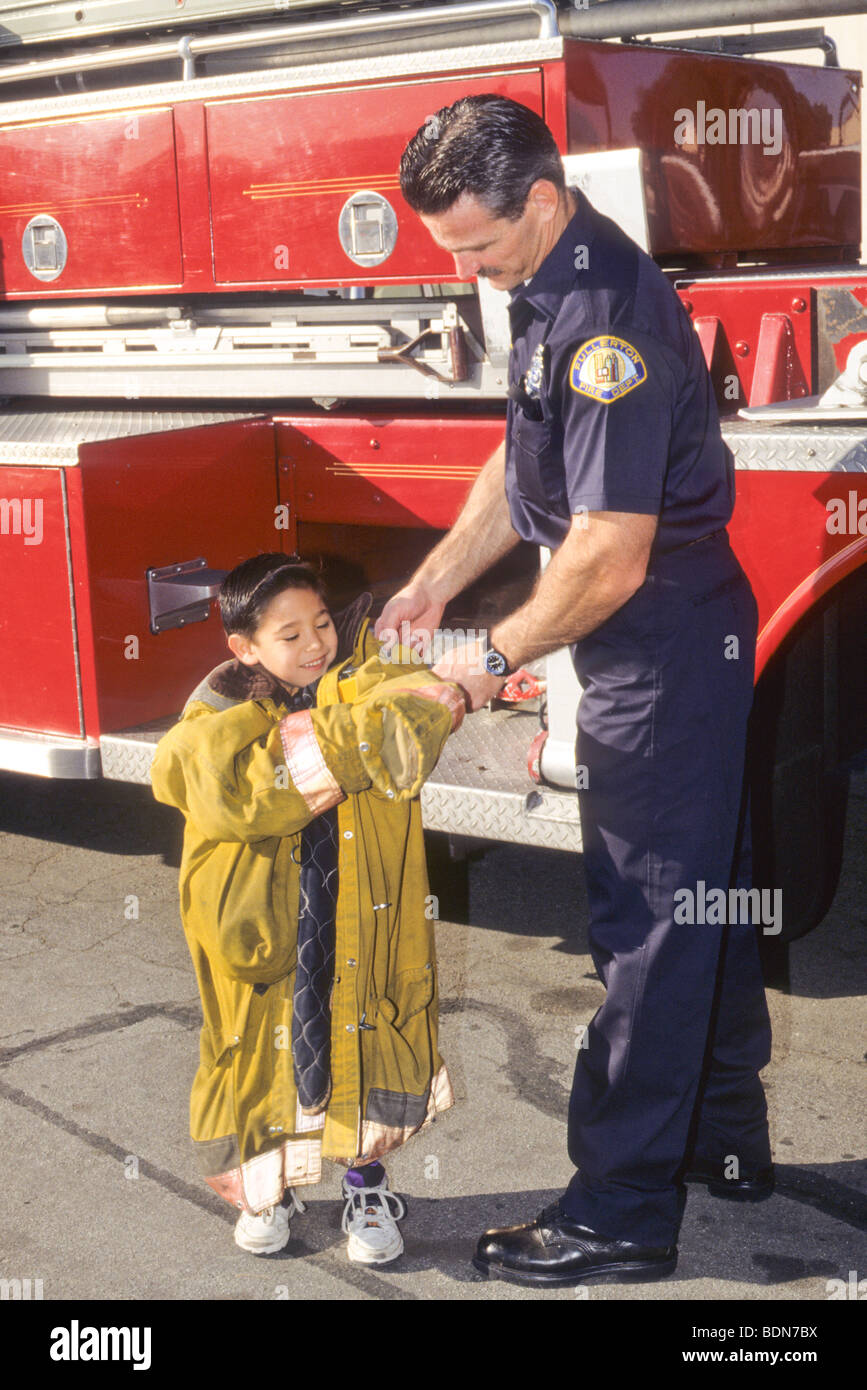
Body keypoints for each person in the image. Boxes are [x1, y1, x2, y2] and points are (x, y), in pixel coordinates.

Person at [377, 95, 774, 1287]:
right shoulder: (551, 281)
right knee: (703, 892)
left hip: (654, 641)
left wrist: (489, 658)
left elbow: (606, 553)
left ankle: (619, 1209)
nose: (469, 270)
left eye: (477, 246)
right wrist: (435, 580)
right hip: (679, 635)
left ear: (541, 200)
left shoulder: (605, 318)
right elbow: (523, 452)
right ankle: (722, 1132)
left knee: (645, 922)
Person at [150, 553, 464, 1262]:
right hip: (268, 939)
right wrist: (355, 739)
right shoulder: (214, 719)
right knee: (264, 1061)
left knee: (358, 1041)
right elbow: (237, 788)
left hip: (358, 922)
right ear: (244, 648)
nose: (314, 643)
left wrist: (395, 712)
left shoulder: (366, 679)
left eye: (320, 622)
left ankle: (366, 1187)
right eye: (287, 634)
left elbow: (423, 710)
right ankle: (271, 1192)